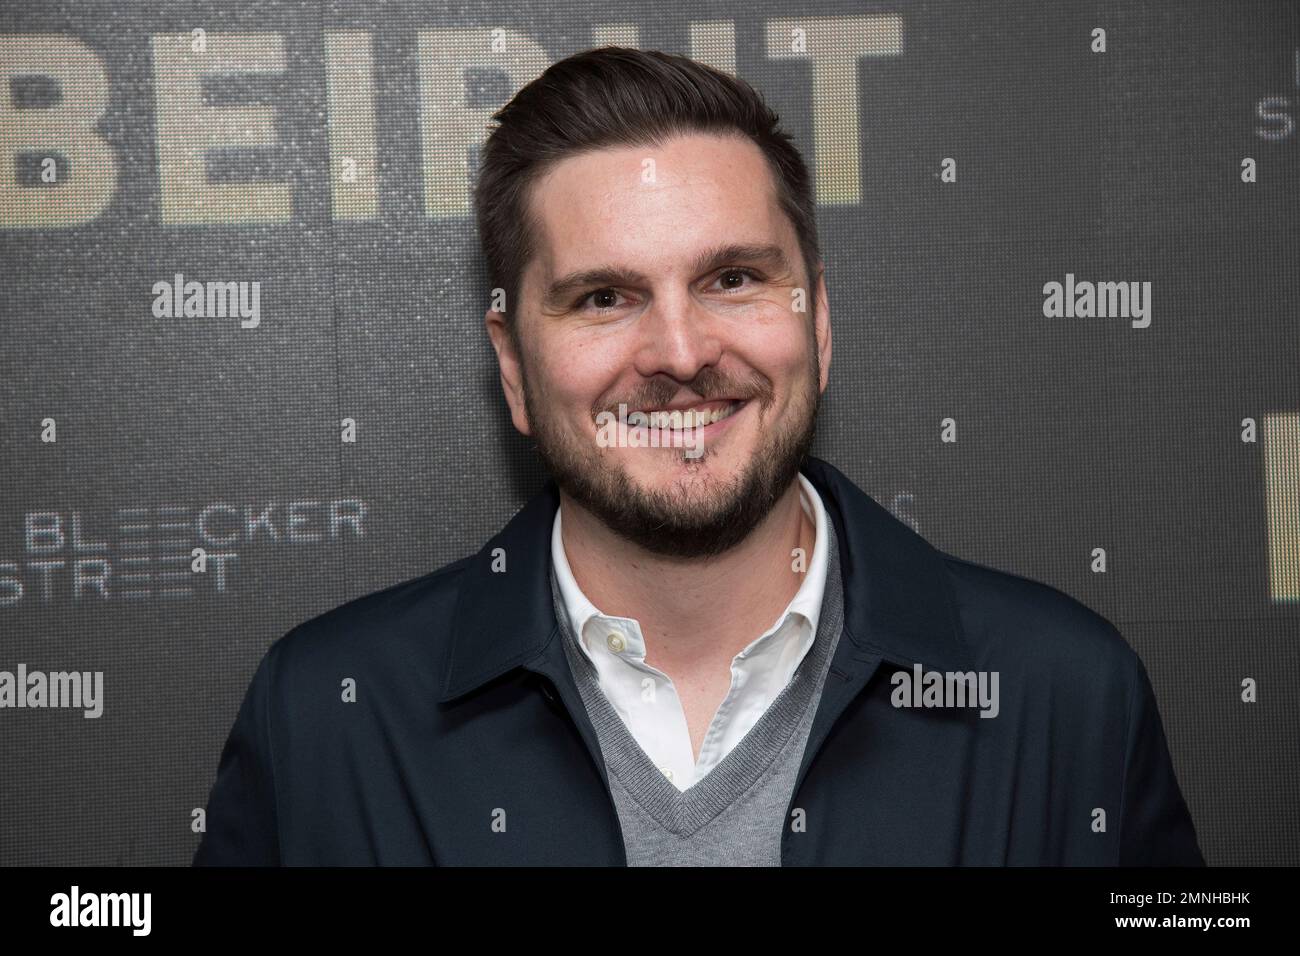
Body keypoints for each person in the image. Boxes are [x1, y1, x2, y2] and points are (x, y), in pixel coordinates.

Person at [194, 46, 1203, 866]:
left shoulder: (1063, 692)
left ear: (817, 319)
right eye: (603, 296)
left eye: (730, 278)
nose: (679, 354)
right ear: (512, 366)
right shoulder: (327, 715)